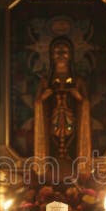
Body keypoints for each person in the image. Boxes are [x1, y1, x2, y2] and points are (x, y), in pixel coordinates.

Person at [33, 36, 91, 170]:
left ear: (70, 55)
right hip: (52, 121)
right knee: (54, 143)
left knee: (70, 141)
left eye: (64, 51)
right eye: (57, 51)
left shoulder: (78, 81)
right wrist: (42, 98)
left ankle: (73, 165)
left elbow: (86, 103)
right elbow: (37, 103)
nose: (60, 55)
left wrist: (80, 99)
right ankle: (51, 166)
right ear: (51, 55)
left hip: (72, 121)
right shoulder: (45, 81)